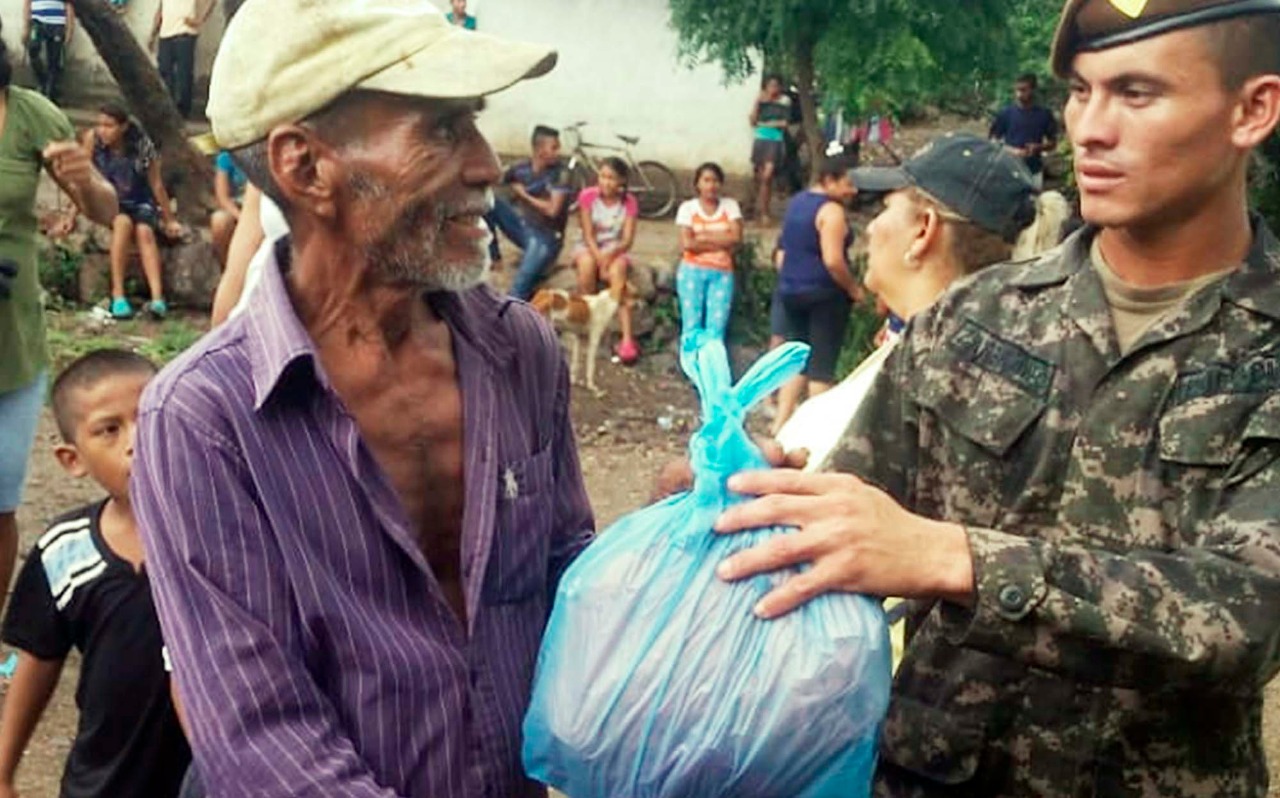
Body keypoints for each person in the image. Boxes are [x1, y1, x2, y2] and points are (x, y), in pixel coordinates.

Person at [705, 1, 1280, 795]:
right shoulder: (976, 316)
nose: (1090, 128)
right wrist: (752, 501)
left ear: (1253, 109)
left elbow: (1249, 612)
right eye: (1081, 92)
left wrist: (958, 558)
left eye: (1137, 94)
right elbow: (862, 511)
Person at [131, 3, 594, 797]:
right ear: (306, 168)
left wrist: (682, 545)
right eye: (444, 131)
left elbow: (568, 585)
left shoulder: (520, 350)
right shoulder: (203, 423)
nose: (487, 166)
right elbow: (261, 737)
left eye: (474, 125)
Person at [776, 133, 1037, 472]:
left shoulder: (930, 373)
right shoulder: (970, 356)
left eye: (885, 208)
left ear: (923, 231)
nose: (870, 227)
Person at [0, 349, 192, 798]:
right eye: (110, 430)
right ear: (72, 459)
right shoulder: (66, 551)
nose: (136, 440)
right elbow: (39, 660)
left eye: (149, 415)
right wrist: (4, 770)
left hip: (208, 778)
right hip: (105, 780)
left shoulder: (221, 536)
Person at [0, 27, 119, 618]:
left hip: (11, 343)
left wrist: (84, 179)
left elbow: (103, 208)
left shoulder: (29, 115)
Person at [769, 152, 862, 435]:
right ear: (829, 180)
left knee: (798, 358)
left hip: (791, 291)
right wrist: (854, 290)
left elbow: (781, 255)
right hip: (824, 295)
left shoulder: (797, 203)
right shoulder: (831, 211)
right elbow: (833, 260)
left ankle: (780, 424)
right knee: (822, 365)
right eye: (848, 183)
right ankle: (814, 435)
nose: (853, 191)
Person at [78, 104, 181, 319]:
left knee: (145, 231)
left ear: (123, 127)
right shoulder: (93, 140)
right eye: (100, 124)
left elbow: (156, 184)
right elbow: (83, 178)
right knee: (123, 224)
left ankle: (157, 298)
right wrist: (72, 213)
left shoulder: (142, 146)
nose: (103, 130)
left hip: (140, 200)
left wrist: (169, 219)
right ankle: (118, 294)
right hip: (109, 202)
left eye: (109, 125)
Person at [486, 124, 572, 300]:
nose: (558, 151)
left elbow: (552, 210)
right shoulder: (520, 167)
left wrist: (522, 194)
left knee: (520, 285)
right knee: (488, 199)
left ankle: (512, 318)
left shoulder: (562, 173)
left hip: (547, 235)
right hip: (523, 227)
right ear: (539, 149)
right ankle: (494, 257)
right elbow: (491, 178)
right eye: (553, 147)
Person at [573, 157, 640, 363]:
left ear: (621, 182)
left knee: (617, 273)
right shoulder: (587, 197)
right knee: (586, 267)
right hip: (589, 246)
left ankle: (627, 339)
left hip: (616, 249)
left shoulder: (629, 203)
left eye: (612, 178)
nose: (606, 182)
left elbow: (627, 239)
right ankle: (586, 321)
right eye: (602, 176)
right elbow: (587, 234)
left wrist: (609, 258)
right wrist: (599, 258)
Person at [675, 161, 743, 359]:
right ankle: (691, 367)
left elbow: (736, 238)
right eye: (706, 180)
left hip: (722, 273)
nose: (711, 186)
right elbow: (688, 244)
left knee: (716, 327)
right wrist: (721, 243)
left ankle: (713, 370)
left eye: (715, 181)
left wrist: (703, 238)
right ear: (697, 184)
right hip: (691, 272)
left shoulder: (730, 206)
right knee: (691, 325)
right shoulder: (688, 208)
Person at [990, 72, 1059, 188]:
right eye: (1016, 90)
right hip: (1009, 169)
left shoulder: (1044, 114)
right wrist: (1012, 151)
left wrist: (1038, 147)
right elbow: (992, 141)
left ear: (1033, 90)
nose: (1018, 94)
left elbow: (1053, 143)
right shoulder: (1006, 113)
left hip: (1034, 170)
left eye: (1023, 90)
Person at [149, 0, 214, 118]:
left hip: (185, 32)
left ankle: (183, 110)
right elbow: (160, 10)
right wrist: (153, 33)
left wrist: (200, 19)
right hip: (165, 33)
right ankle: (168, 107)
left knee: (183, 74)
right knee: (164, 71)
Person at [749, 74, 792, 224]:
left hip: (775, 140)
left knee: (768, 176)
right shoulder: (762, 101)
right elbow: (753, 121)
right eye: (770, 85)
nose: (773, 88)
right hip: (760, 139)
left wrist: (768, 123)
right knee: (760, 178)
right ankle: (761, 210)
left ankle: (765, 211)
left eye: (776, 85)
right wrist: (758, 103)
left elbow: (784, 123)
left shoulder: (784, 101)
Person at [22, 0, 74, 103]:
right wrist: (26, 27)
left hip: (57, 24)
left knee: (54, 59)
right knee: (33, 50)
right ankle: (43, 82)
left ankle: (49, 93)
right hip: (37, 23)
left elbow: (69, 6)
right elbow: (27, 3)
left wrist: (69, 29)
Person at [209, 149, 247, 266]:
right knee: (219, 221)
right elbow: (223, 197)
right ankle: (228, 268)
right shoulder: (225, 157)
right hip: (240, 206)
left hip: (265, 203)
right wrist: (241, 217)